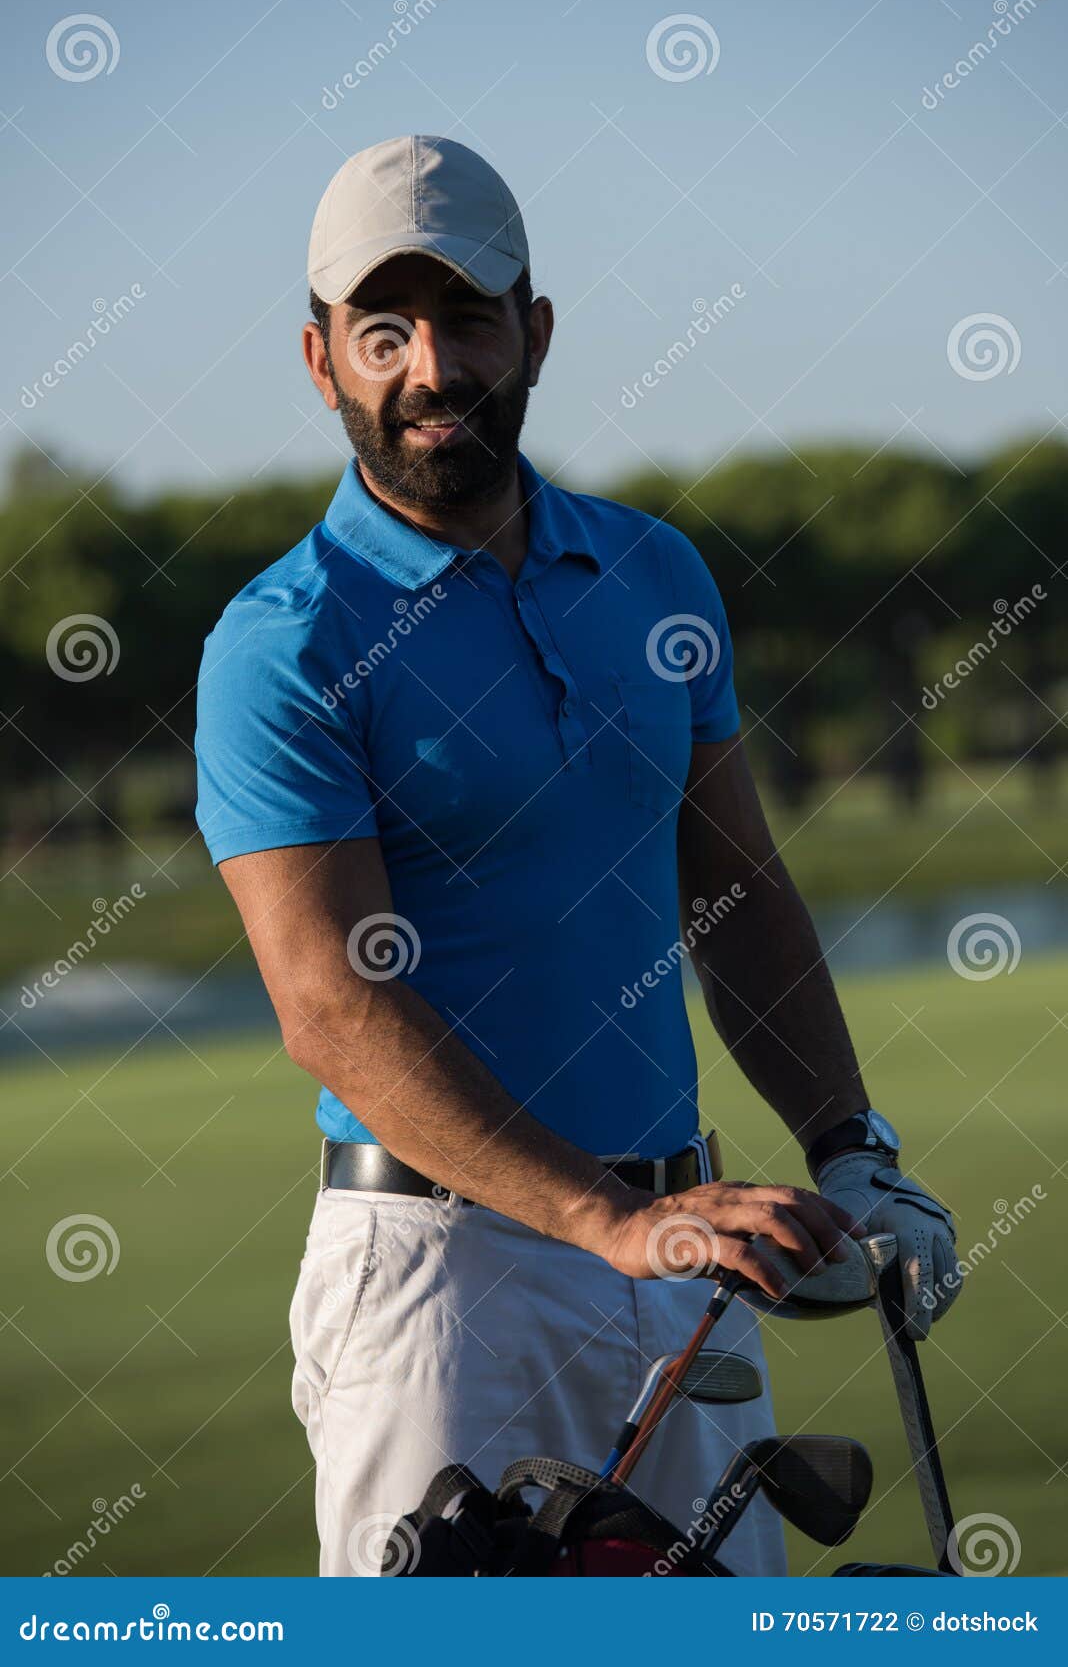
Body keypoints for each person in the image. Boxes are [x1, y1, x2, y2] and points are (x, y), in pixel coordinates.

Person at [194, 134, 960, 1577]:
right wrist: (611, 1220)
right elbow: (331, 1005)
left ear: (533, 332)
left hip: (683, 1253)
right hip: (437, 1282)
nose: (431, 365)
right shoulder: (283, 642)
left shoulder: (657, 573)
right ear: (320, 361)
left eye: (469, 318)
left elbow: (738, 890)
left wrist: (852, 1146)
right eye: (383, 331)